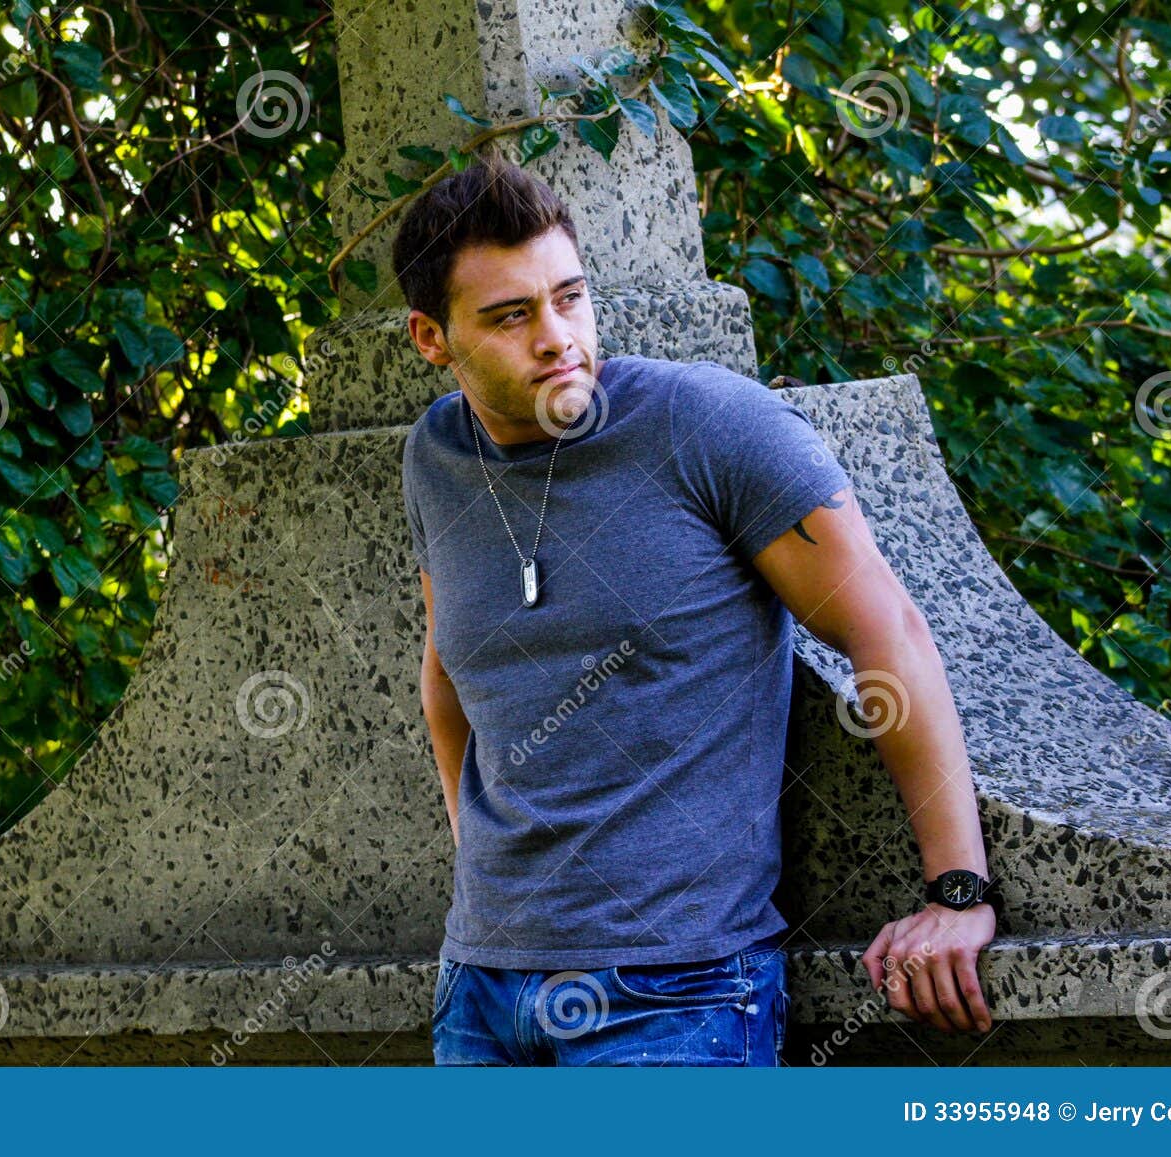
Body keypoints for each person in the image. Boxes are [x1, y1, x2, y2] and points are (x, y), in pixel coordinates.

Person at [394, 153, 1000, 1066]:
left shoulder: (707, 427)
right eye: (511, 316)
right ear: (432, 338)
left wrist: (957, 891)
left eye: (569, 295)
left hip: (678, 992)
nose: (558, 336)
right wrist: (487, 878)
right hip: (482, 988)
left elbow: (889, 631)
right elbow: (447, 675)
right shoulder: (434, 458)